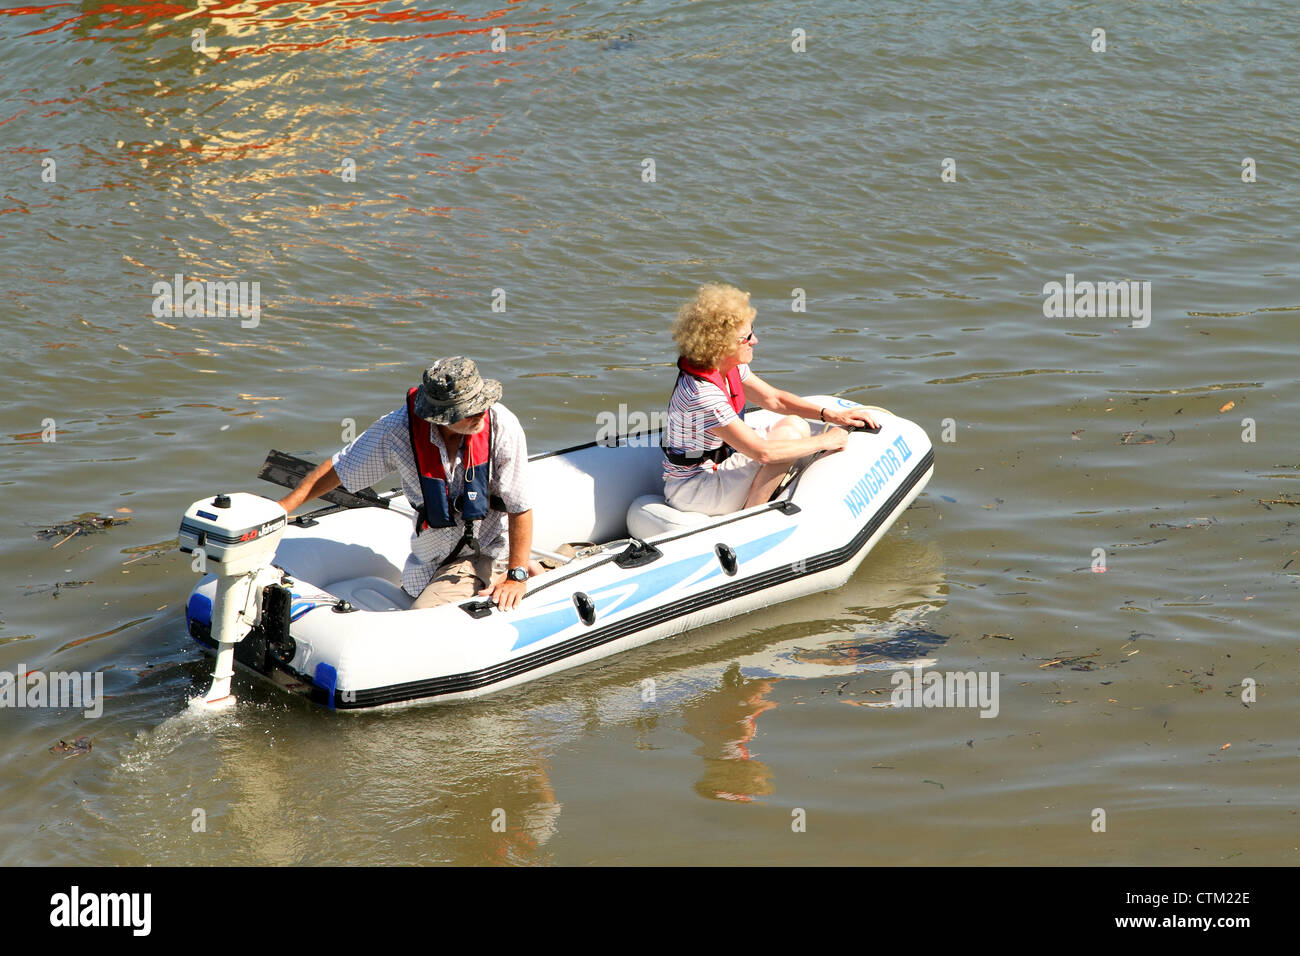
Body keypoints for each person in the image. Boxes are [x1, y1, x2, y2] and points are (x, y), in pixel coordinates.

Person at [276, 357, 535, 610]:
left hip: (482, 550)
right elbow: (341, 468)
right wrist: (283, 509)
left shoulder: (501, 426)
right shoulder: (398, 429)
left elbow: (519, 506)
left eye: (482, 404)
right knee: (417, 593)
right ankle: (536, 567)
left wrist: (517, 576)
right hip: (427, 558)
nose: (480, 412)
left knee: (424, 614)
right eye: (469, 410)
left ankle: (519, 569)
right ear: (441, 416)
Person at [662, 283, 879, 514]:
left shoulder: (726, 367)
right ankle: (750, 518)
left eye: (752, 331)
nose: (755, 340)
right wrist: (828, 440)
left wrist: (830, 414)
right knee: (785, 442)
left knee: (794, 424)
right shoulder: (703, 394)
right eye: (746, 337)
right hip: (694, 491)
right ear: (721, 346)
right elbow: (763, 452)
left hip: (714, 470)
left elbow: (775, 399)